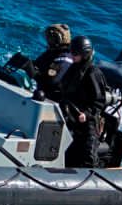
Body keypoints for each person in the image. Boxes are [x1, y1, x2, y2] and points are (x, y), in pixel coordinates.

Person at [59, 35, 110, 167]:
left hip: (88, 123)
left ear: (85, 54)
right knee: (68, 154)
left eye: (75, 53)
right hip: (71, 117)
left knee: (88, 157)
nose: (71, 56)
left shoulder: (93, 73)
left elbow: (99, 102)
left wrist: (86, 114)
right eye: (71, 52)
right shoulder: (74, 68)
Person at [31, 23, 72, 100]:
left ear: (57, 39)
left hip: (53, 97)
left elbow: (50, 82)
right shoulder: (52, 52)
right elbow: (36, 65)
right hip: (42, 90)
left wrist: (31, 72)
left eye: (50, 38)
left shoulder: (64, 59)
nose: (48, 40)